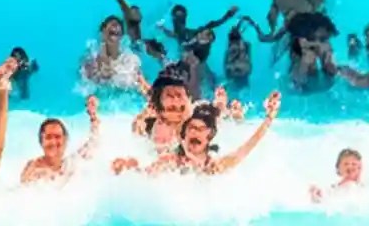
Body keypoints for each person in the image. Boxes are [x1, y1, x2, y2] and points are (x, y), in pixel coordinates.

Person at [113, 91, 280, 176]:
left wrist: (269, 119)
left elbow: (245, 149)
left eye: (200, 130)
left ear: (209, 138)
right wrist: (127, 168)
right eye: (191, 128)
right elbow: (144, 176)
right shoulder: (170, 162)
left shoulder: (213, 167)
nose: (194, 132)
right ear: (182, 137)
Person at [132, 75, 244, 153]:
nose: (176, 101)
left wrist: (230, 113)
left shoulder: (196, 113)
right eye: (172, 107)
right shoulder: (160, 129)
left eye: (180, 98)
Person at [20, 96, 101, 183]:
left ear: (65, 140)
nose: (53, 142)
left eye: (57, 137)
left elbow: (93, 142)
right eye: (48, 137)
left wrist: (93, 115)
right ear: (41, 141)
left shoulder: (69, 164)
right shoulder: (33, 168)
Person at [80, 16, 146, 92]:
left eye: (117, 25)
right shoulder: (91, 58)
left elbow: (139, 82)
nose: (115, 26)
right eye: (112, 25)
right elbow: (86, 83)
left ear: (121, 36)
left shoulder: (129, 59)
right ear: (103, 33)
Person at [160, 4, 239, 55]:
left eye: (181, 18)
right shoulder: (179, 34)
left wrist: (229, 14)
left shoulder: (194, 33)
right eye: (177, 19)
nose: (179, 22)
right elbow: (172, 34)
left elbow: (215, 23)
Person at [223, 24, 253, 92]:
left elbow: (227, 69)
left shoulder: (230, 52)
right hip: (240, 75)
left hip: (239, 75)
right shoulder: (246, 46)